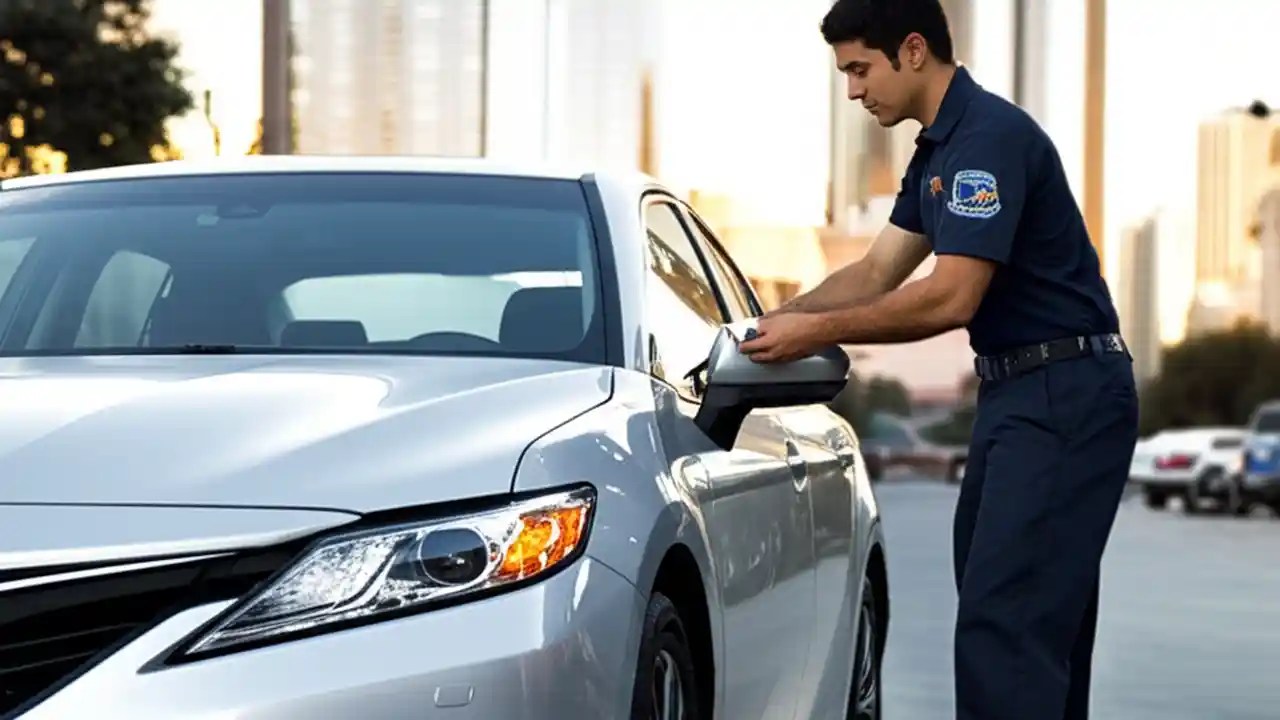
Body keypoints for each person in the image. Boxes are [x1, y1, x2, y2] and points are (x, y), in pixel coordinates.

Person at [737, 1, 1140, 718]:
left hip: (1064, 392)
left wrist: (815, 333)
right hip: (1020, 392)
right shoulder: (940, 150)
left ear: (913, 50)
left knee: (1007, 622)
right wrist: (773, 325)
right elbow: (876, 272)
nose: (854, 90)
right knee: (1027, 620)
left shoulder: (988, 139)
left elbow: (952, 296)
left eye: (861, 68)